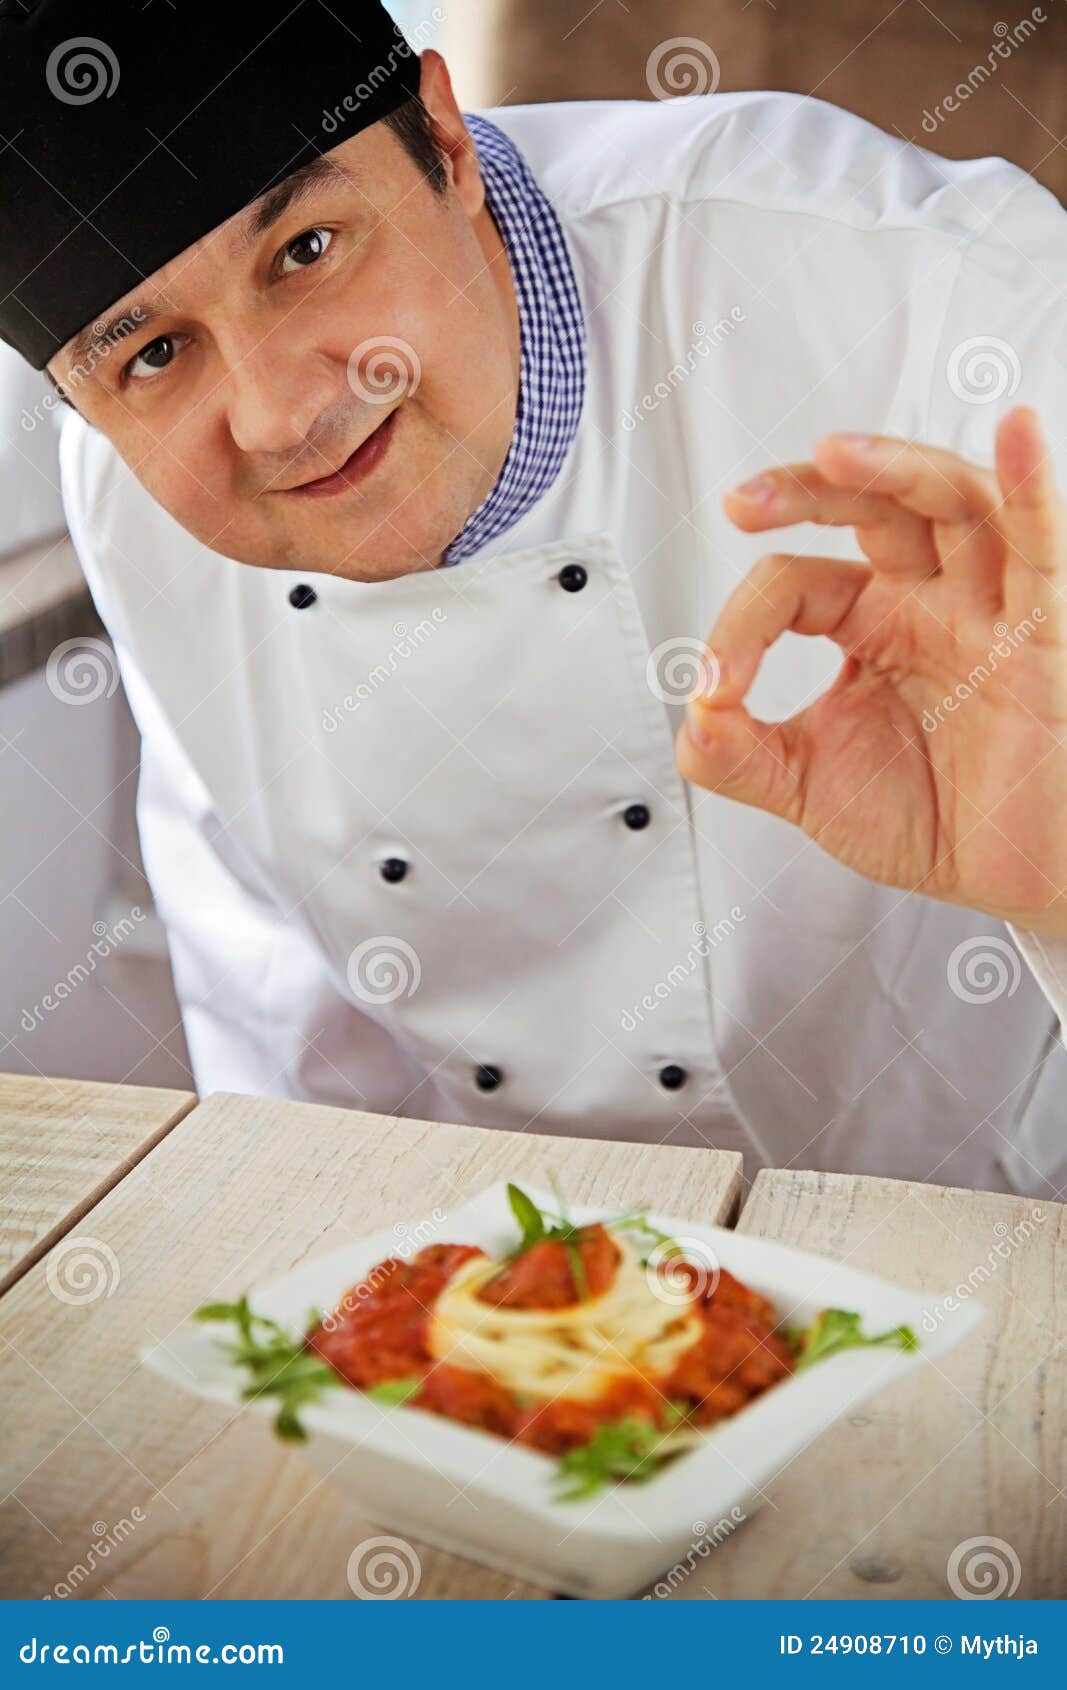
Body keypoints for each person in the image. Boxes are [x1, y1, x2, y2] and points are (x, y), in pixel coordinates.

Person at [5, 1, 1066, 1195]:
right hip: (504, 1310)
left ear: (447, 146)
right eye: (152, 353)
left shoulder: (939, 291)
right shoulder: (127, 499)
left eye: (304, 251)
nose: (278, 415)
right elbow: (279, 1028)